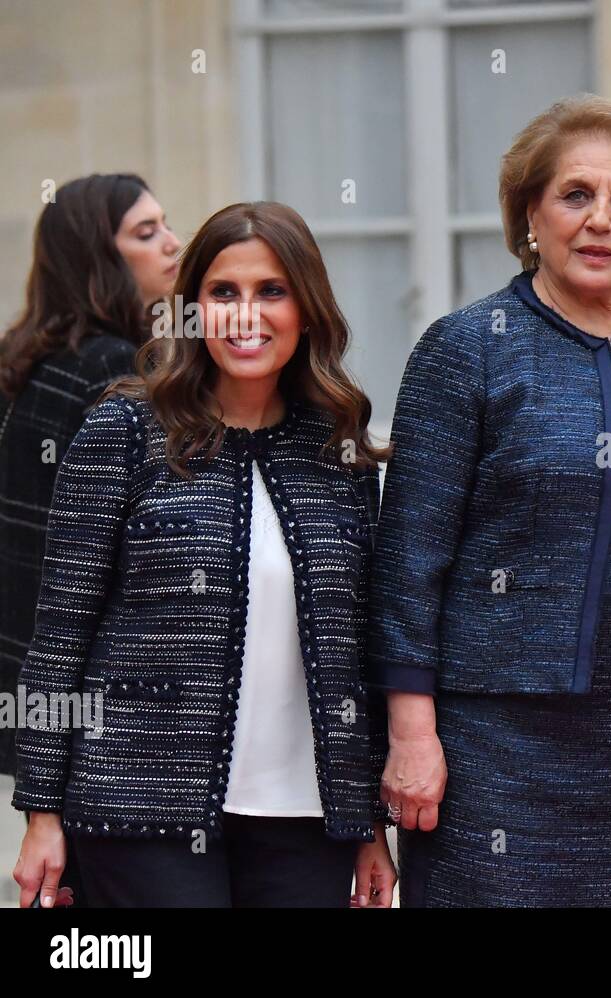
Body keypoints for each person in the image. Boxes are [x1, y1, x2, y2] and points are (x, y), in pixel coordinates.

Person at [370, 95, 611, 907]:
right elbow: (408, 561)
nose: (601, 220)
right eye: (576, 195)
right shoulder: (467, 348)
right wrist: (411, 735)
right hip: (497, 749)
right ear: (531, 213)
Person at [11, 202, 394, 908]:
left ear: (306, 309)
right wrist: (41, 813)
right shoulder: (124, 432)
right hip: (139, 807)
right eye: (223, 293)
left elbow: (357, 654)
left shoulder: (339, 456)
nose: (245, 314)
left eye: (271, 291)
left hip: (307, 819)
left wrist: (369, 821)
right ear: (191, 310)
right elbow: (60, 636)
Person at [0, 173, 179, 906]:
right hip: (100, 702)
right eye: (145, 233)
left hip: (44, 695)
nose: (172, 244)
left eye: (166, 225)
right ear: (98, 260)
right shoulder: (111, 368)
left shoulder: (27, 361)